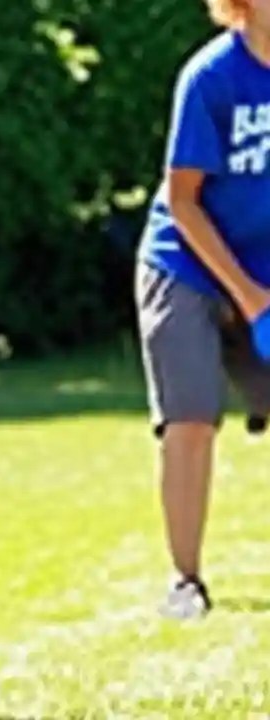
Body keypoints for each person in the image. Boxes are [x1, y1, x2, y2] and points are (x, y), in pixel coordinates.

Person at [135, 0, 270, 620]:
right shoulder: (211, 77)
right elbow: (183, 201)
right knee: (191, 417)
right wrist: (247, 297)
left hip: (262, 267)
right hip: (186, 262)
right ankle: (185, 581)